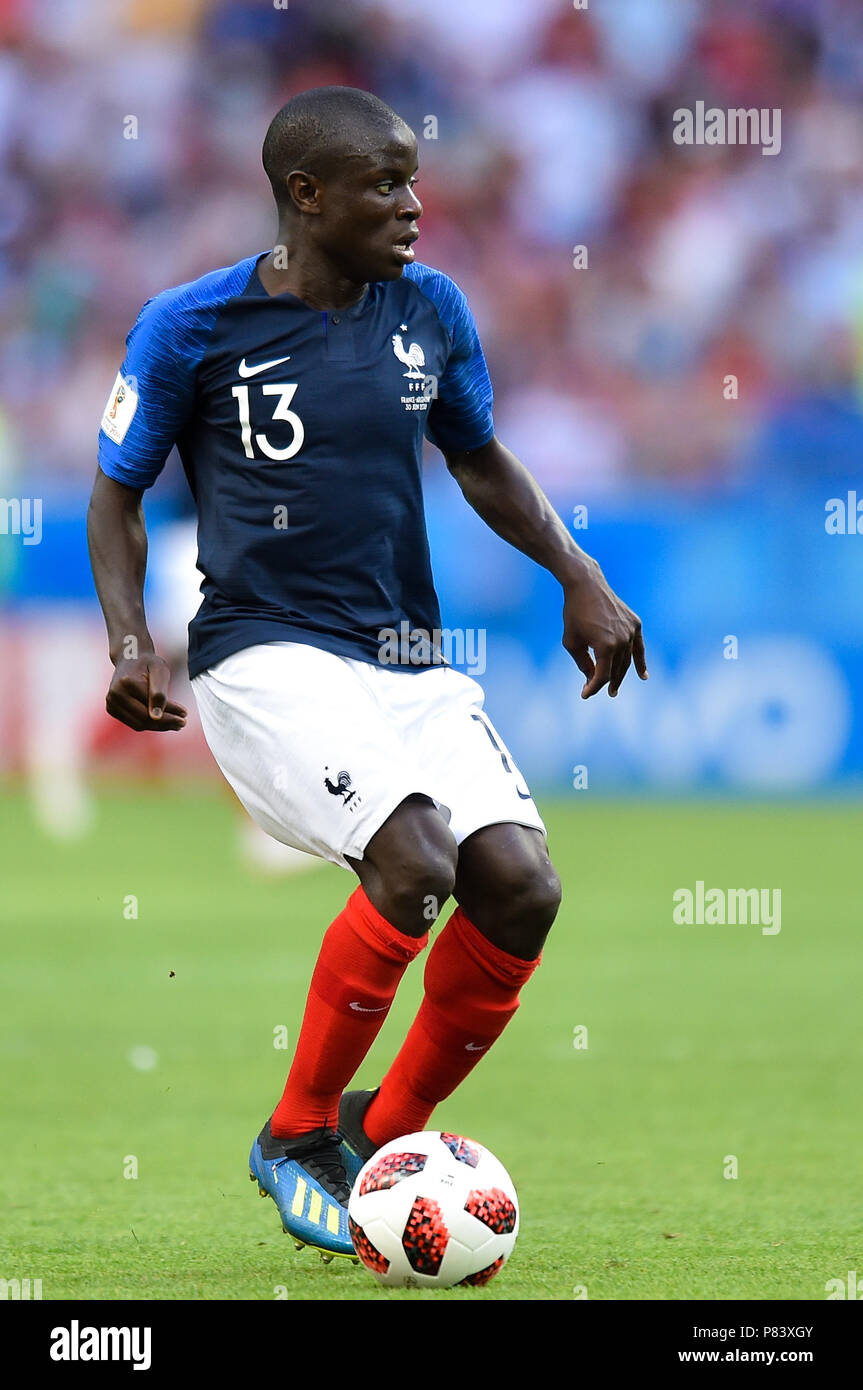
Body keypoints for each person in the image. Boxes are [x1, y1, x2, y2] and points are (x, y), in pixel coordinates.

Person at [87, 86, 647, 1263]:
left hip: (405, 658)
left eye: (410, 177)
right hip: (263, 650)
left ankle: (377, 1137)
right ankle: (292, 1137)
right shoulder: (190, 325)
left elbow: (479, 455)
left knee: (519, 887)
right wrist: (131, 640)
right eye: (384, 183)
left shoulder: (426, 309)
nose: (413, 202)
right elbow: (115, 494)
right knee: (413, 859)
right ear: (306, 196)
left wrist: (575, 573)